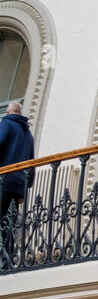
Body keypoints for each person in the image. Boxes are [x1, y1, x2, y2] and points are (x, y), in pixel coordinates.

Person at [0, 101, 36, 267]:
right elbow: (31, 162)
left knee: (3, 219)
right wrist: (26, 187)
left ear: (9, 112)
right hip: (18, 185)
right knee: (9, 222)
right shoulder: (28, 134)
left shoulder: (7, 124)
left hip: (4, 180)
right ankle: (6, 258)